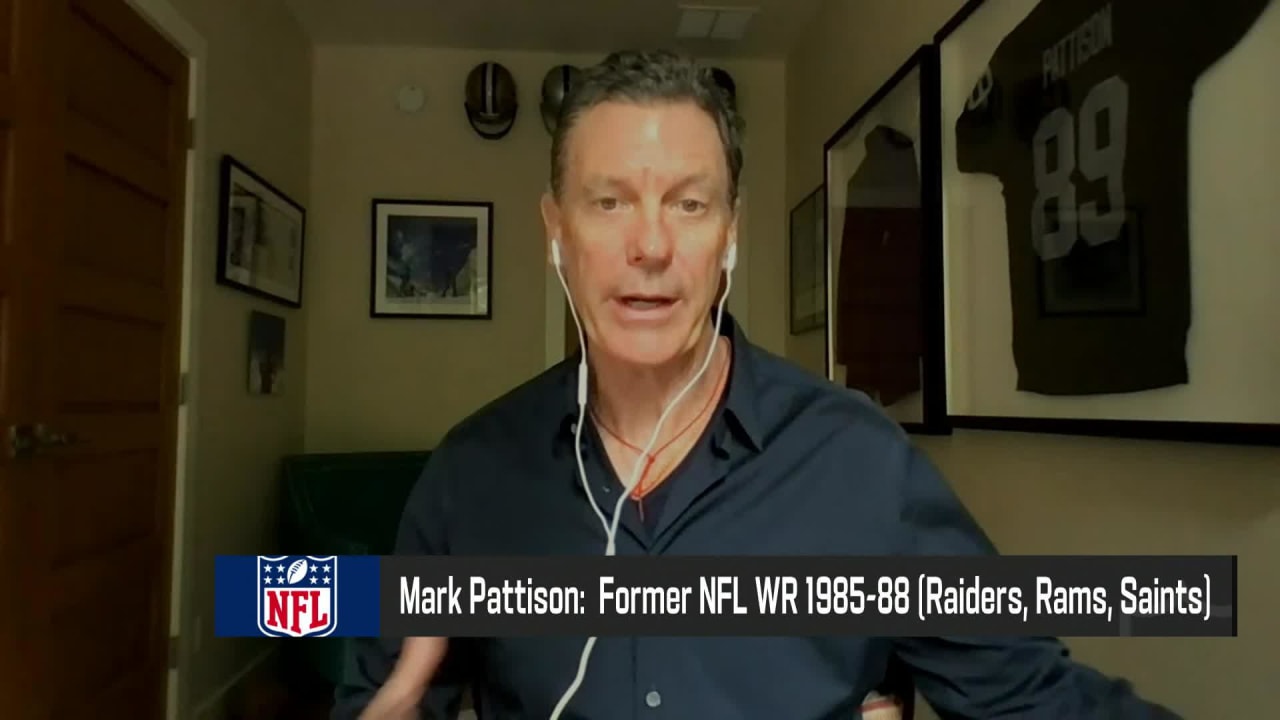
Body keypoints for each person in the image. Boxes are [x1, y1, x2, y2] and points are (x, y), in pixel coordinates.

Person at [333, 49, 1181, 720]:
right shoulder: (470, 474)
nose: (651, 246)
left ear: (731, 236)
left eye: (690, 205)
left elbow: (1036, 697)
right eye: (609, 202)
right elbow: (381, 698)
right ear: (556, 231)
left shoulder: (858, 462)